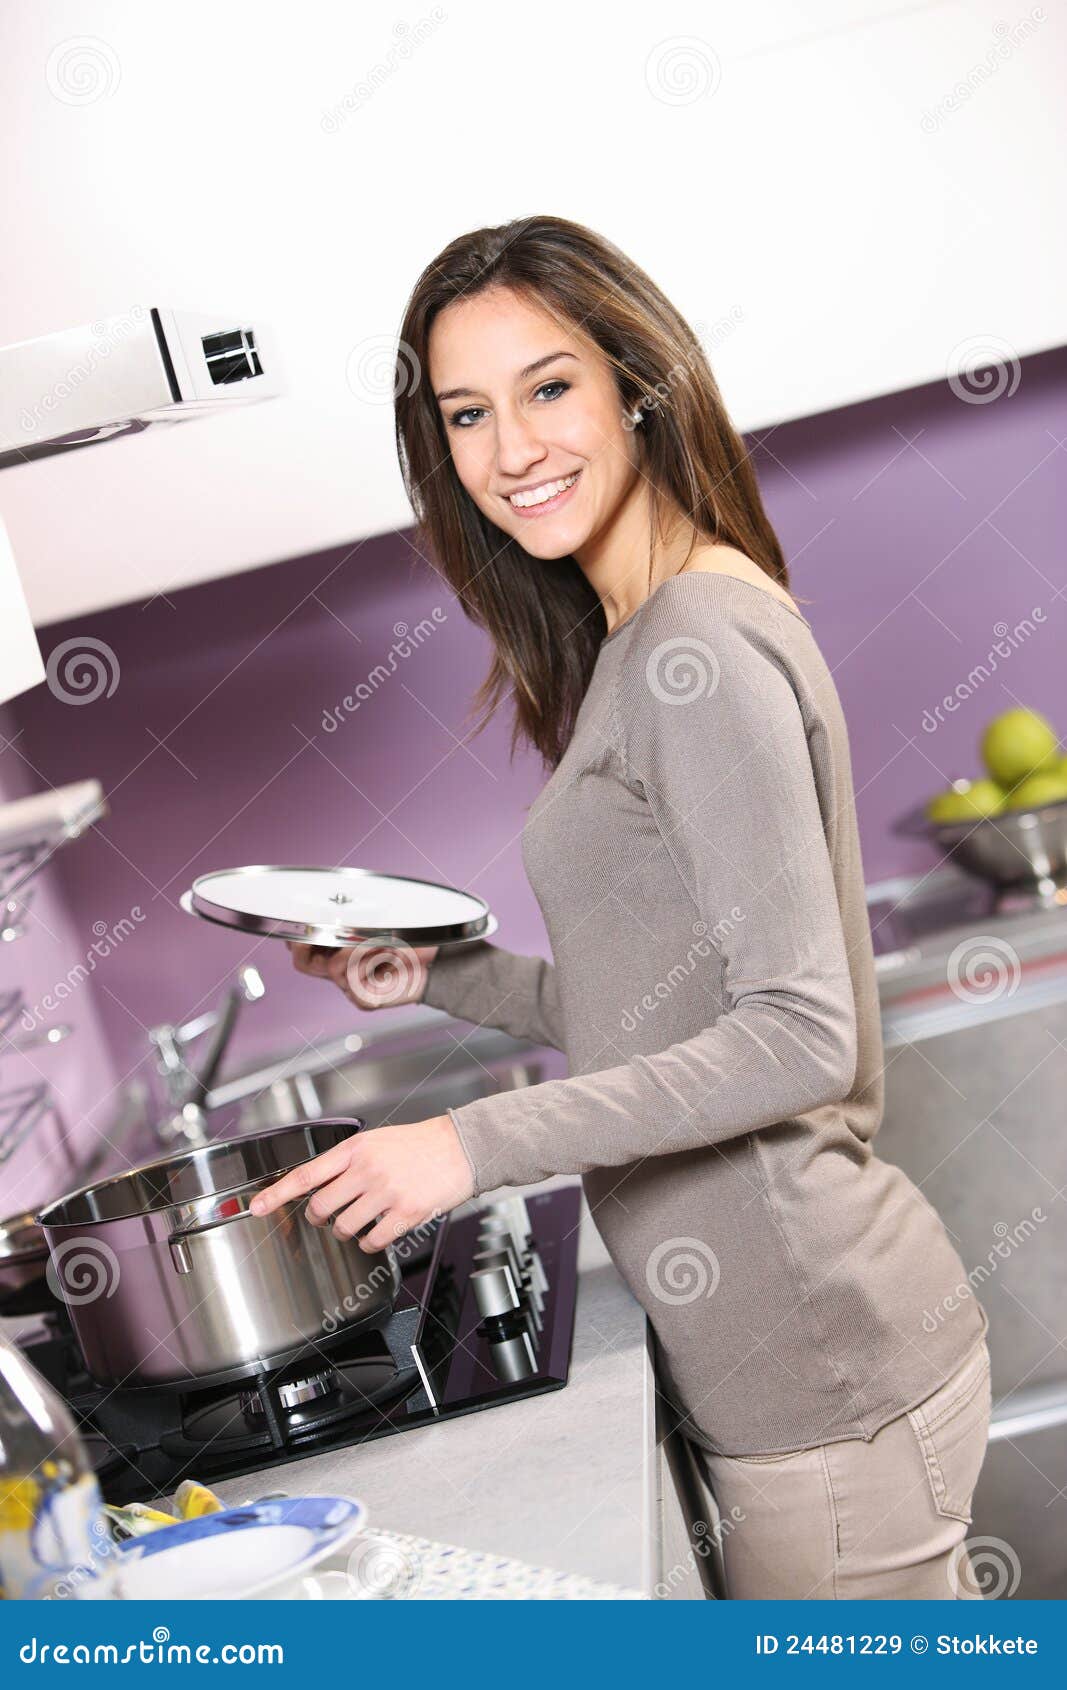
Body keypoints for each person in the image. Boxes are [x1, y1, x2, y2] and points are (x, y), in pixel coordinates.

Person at [250, 216, 991, 1599]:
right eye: (467, 413)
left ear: (637, 385)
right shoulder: (653, 633)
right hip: (803, 1371)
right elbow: (668, 1002)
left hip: (826, 1378)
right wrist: (445, 975)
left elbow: (798, 1035)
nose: (512, 449)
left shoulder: (691, 646)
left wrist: (469, 1143)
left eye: (549, 386)